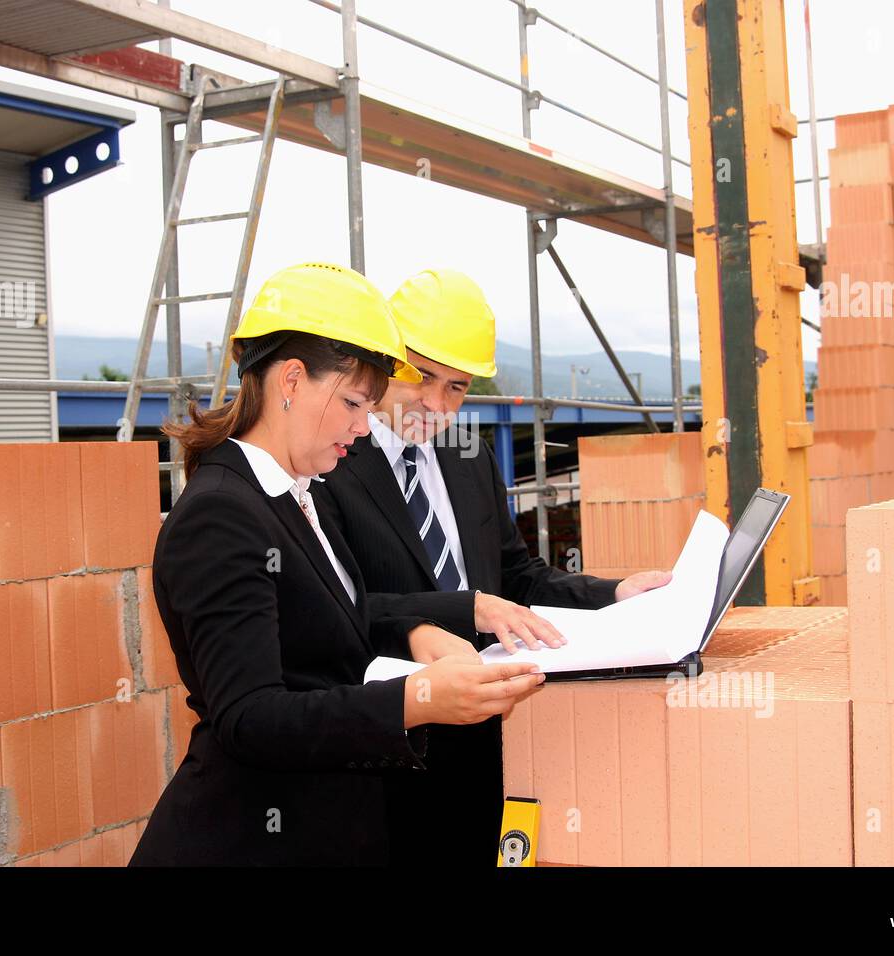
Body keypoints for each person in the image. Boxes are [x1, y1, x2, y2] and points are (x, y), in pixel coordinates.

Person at [128, 262, 545, 866]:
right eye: (352, 402)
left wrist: (416, 631)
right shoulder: (220, 515)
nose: (362, 426)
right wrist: (418, 698)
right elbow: (251, 717)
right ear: (291, 380)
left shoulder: (297, 495)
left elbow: (326, 627)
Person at [312, 268, 672, 866]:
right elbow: (339, 609)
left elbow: (517, 575)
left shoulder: (467, 454)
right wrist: (465, 608)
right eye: (421, 375)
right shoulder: (330, 463)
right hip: (389, 753)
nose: (436, 402)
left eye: (456, 387)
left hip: (488, 736)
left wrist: (615, 592)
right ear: (381, 363)